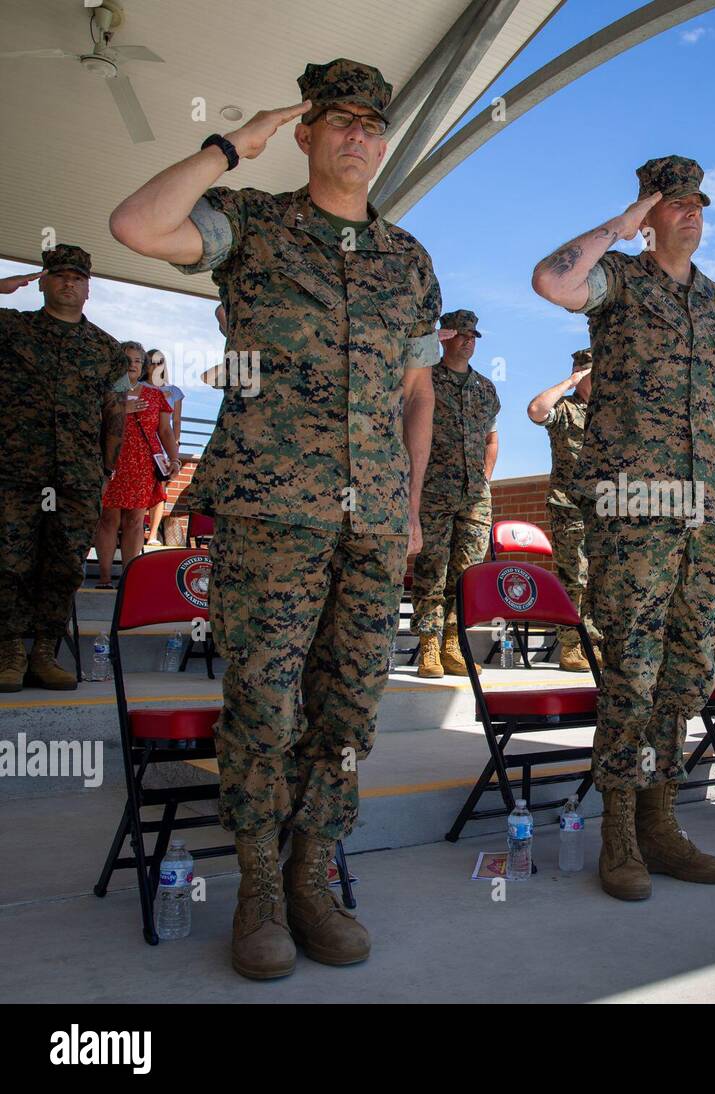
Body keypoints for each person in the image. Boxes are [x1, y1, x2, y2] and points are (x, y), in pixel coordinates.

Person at [110, 58, 438, 979]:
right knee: (263, 708)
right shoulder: (252, 225)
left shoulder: (409, 260)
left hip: (373, 518)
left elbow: (417, 394)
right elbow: (136, 226)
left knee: (347, 713)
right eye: (338, 121)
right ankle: (256, 889)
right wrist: (230, 144)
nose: (359, 139)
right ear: (304, 132)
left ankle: (309, 878)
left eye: (374, 126)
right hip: (269, 511)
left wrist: (410, 506)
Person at [532, 154, 715, 901]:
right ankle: (618, 829)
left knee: (686, 673)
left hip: (701, 513)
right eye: (672, 202)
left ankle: (660, 820)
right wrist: (621, 223)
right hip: (633, 511)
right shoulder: (619, 279)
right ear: (649, 214)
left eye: (697, 204)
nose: (689, 214)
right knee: (633, 672)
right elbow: (553, 282)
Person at [0, 246, 128, 691]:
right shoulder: (12, 329)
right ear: (42, 281)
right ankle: (10, 651)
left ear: (88, 288)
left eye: (77, 277)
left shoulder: (107, 350)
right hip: (15, 471)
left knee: (64, 564)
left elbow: (115, 413)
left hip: (76, 476)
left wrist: (107, 469)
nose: (68, 283)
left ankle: (44, 653)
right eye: (58, 275)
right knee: (10, 562)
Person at [410, 309, 499, 678]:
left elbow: (493, 438)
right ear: (446, 337)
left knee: (468, 570)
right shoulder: (424, 378)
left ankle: (453, 642)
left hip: (473, 495)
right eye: (461, 334)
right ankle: (428, 645)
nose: (468, 341)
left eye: (473, 336)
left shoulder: (485, 388)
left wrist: (485, 478)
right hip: (433, 489)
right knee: (432, 565)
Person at [526, 349, 601, 672]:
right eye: (591, 375)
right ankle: (571, 646)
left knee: (599, 580)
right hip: (569, 506)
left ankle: (594, 644)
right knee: (576, 578)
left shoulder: (610, 414)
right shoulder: (566, 410)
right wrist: (570, 382)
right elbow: (536, 410)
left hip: (606, 509)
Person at [93, 342, 180, 586]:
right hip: (112, 461)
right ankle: (104, 577)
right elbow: (90, 421)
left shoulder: (156, 395)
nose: (132, 364)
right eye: (127, 359)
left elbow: (165, 430)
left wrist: (174, 459)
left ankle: (129, 579)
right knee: (109, 519)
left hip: (142, 464)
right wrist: (122, 408)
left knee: (134, 521)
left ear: (143, 366)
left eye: (137, 360)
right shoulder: (106, 391)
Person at [144, 349, 185, 544]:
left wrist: (174, 447)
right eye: (151, 361)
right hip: (141, 443)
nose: (155, 365)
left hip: (163, 447)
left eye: (159, 361)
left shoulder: (173, 391)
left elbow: (176, 422)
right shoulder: (138, 386)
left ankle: (152, 535)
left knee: (159, 489)